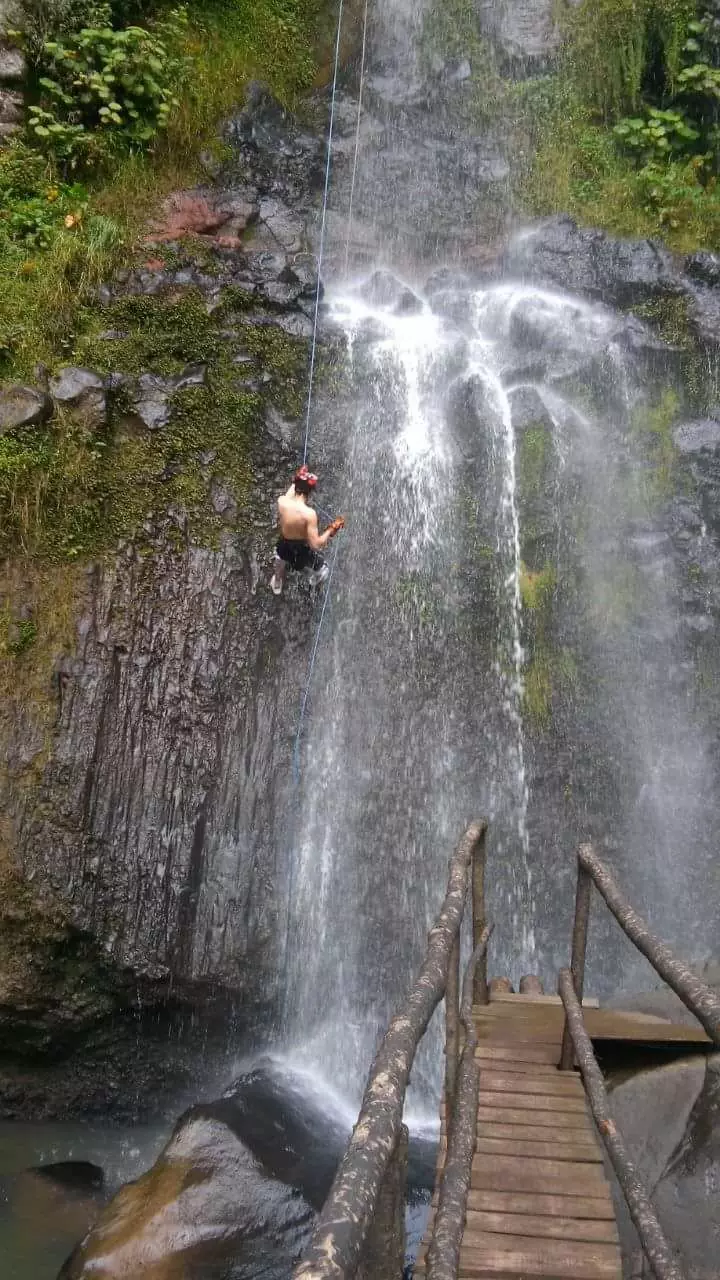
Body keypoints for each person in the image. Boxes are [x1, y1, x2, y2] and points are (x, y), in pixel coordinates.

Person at [270, 466, 345, 595]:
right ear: (310, 491)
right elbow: (316, 545)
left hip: (284, 544)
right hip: (300, 549)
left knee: (280, 556)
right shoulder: (309, 514)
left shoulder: (282, 502)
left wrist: (298, 478)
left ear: (296, 485)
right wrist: (332, 529)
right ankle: (314, 581)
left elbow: (290, 492)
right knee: (323, 569)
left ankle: (277, 582)